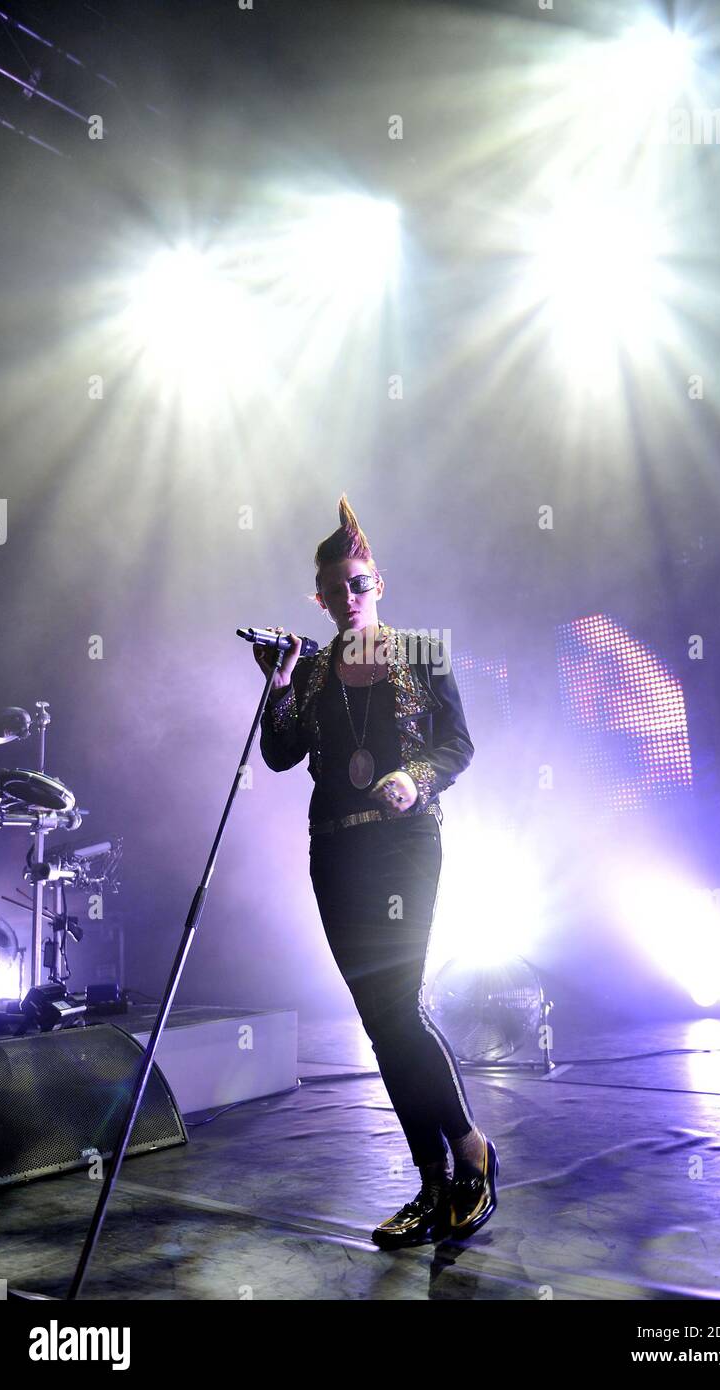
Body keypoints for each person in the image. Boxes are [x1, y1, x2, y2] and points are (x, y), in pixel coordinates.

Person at [255, 494, 499, 1248]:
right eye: (336, 590)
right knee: (377, 1021)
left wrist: (415, 779)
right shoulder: (319, 664)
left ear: (378, 583)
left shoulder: (422, 651)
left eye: (360, 584)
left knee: (397, 1009)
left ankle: (471, 1154)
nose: (349, 599)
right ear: (319, 597)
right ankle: (431, 1187)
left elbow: (457, 745)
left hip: (402, 847)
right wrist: (279, 681)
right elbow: (280, 753)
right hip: (334, 853)